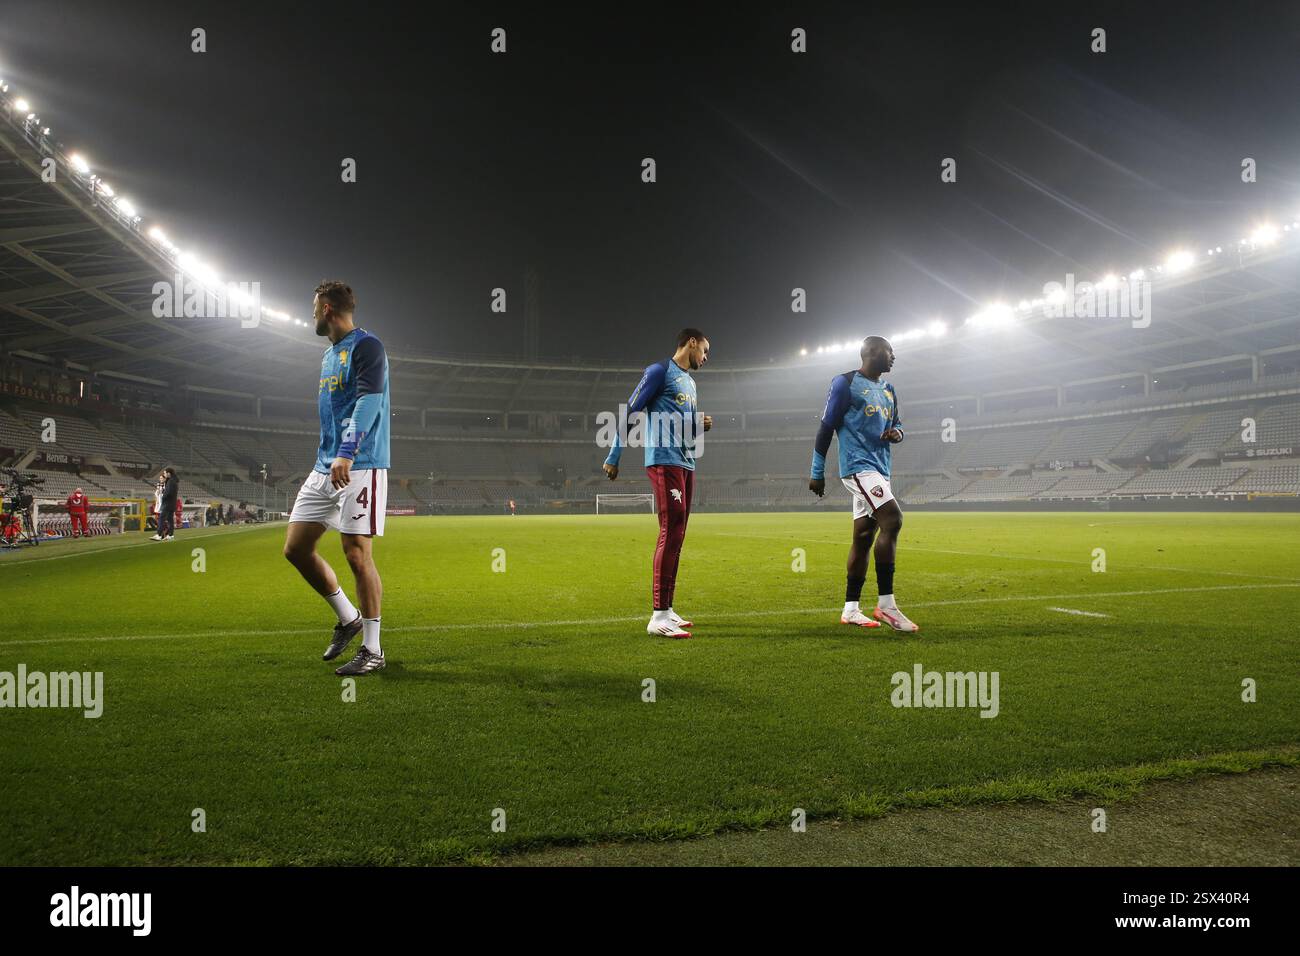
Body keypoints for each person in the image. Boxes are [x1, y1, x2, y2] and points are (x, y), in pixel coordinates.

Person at [283, 280, 391, 677]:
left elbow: (369, 400)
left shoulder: (368, 346)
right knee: (296, 548)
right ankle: (349, 618)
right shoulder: (330, 355)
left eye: (314, 307)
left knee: (356, 554)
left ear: (327, 309)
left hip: (360, 463)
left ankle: (373, 650)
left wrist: (347, 451)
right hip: (324, 465)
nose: (311, 313)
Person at [603, 328, 712, 638]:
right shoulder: (659, 371)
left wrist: (699, 425)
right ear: (691, 343)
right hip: (664, 461)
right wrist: (614, 455)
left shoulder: (690, 382)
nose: (705, 358)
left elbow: (685, 428)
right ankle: (658, 615)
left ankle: (669, 608)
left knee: (679, 533)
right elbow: (630, 412)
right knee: (670, 530)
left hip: (686, 461)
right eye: (704, 350)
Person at [809, 336, 918, 632]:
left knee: (864, 535)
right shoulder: (845, 383)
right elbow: (826, 427)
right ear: (871, 352)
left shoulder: (889, 389)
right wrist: (816, 471)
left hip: (881, 469)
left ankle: (851, 609)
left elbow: (897, 424)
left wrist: (898, 433)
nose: (894, 356)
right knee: (892, 519)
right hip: (858, 466)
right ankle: (887, 606)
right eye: (889, 351)